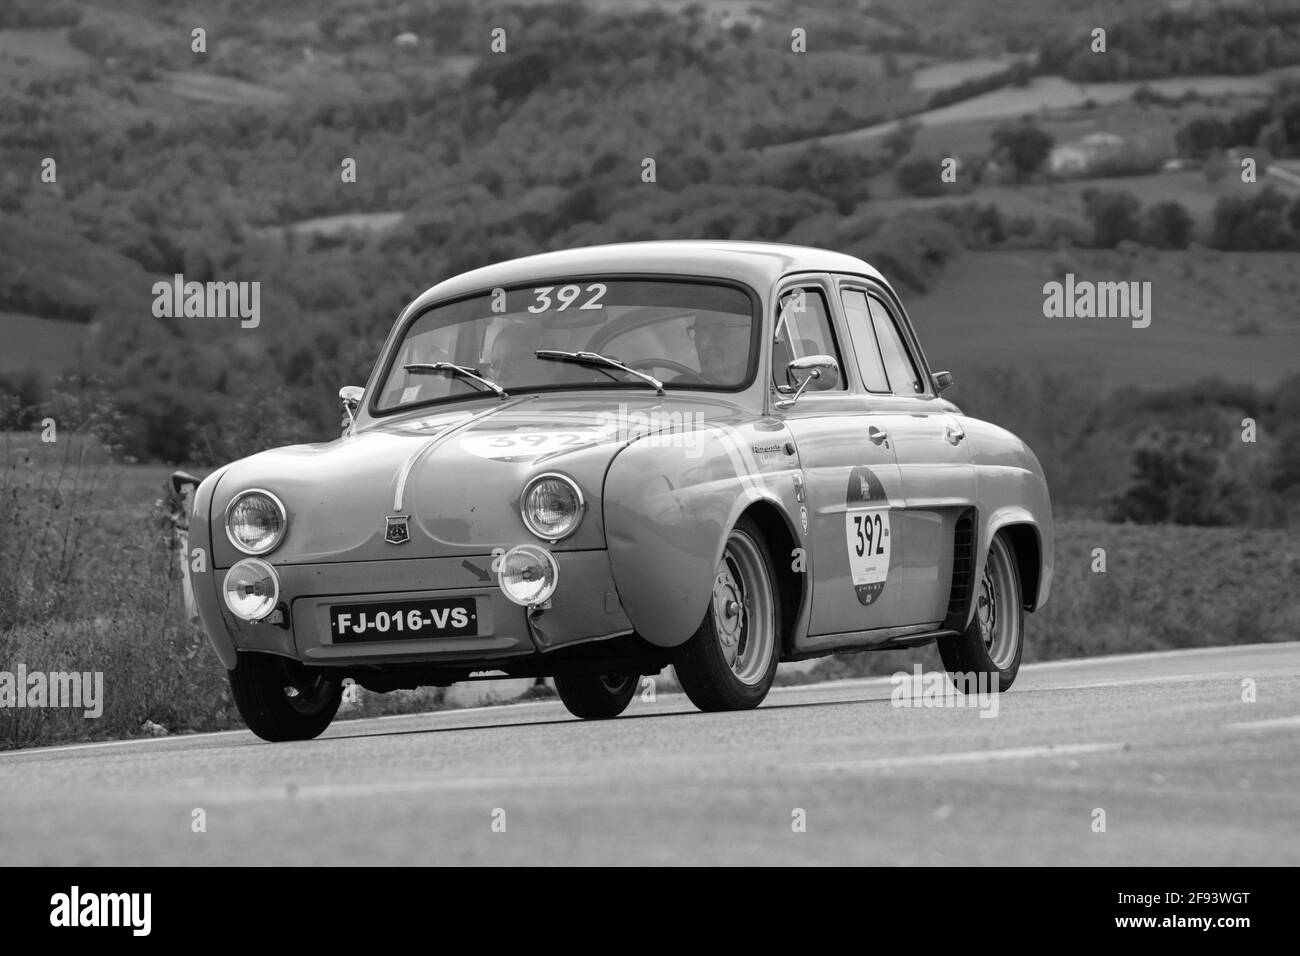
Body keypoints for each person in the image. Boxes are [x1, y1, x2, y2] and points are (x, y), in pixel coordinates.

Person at [687, 312, 751, 384]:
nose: (702, 344)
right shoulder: (682, 387)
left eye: (718, 330)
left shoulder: (762, 390)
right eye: (697, 330)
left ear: (750, 335)